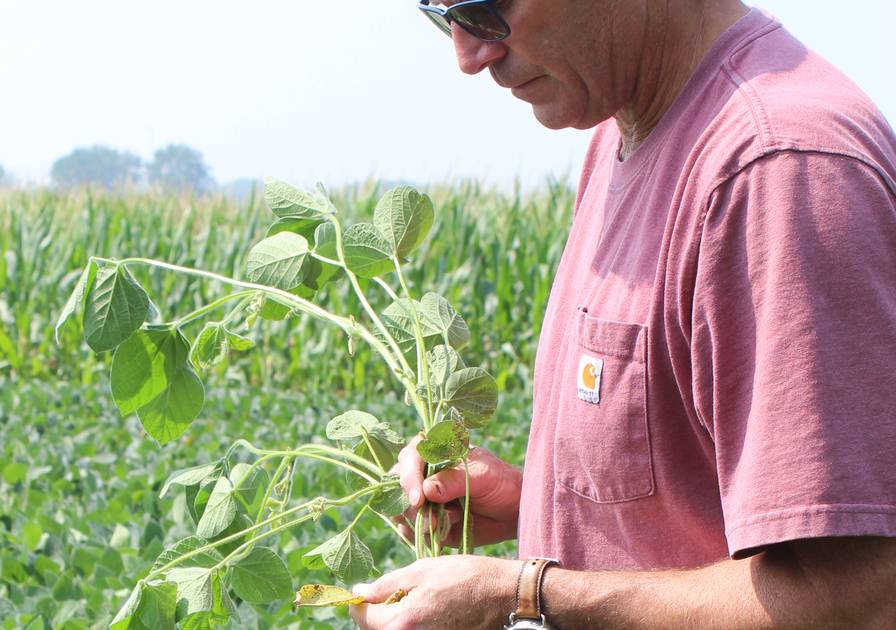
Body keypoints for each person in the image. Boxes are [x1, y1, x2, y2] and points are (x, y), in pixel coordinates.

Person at [351, 1, 896, 627]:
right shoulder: (624, 127)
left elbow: (858, 599)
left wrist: (521, 594)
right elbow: (695, 513)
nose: (470, 56)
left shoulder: (777, 170)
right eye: (442, 12)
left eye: (488, 6)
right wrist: (538, 506)